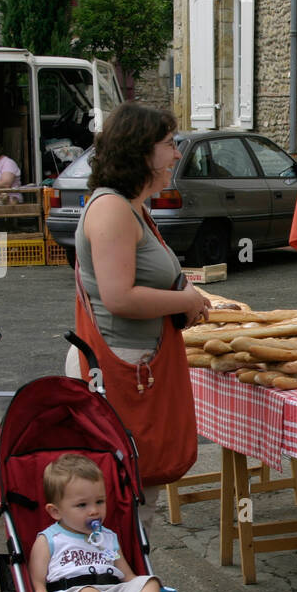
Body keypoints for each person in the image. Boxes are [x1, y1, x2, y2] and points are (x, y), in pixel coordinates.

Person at [69, 103, 209, 528]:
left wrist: (188, 297)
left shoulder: (132, 207)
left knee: (132, 503)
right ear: (140, 151)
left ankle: (126, 587)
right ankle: (117, 590)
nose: (176, 154)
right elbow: (120, 298)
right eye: (169, 144)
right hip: (119, 368)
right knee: (121, 504)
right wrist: (186, 302)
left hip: (133, 360)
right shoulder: (112, 210)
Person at [29, 455, 198, 592]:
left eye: (99, 502)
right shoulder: (50, 539)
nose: (94, 510)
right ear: (55, 511)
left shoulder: (107, 537)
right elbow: (37, 579)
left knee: (148, 581)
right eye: (82, 505)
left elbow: (126, 575)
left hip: (112, 591)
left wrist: (141, 588)